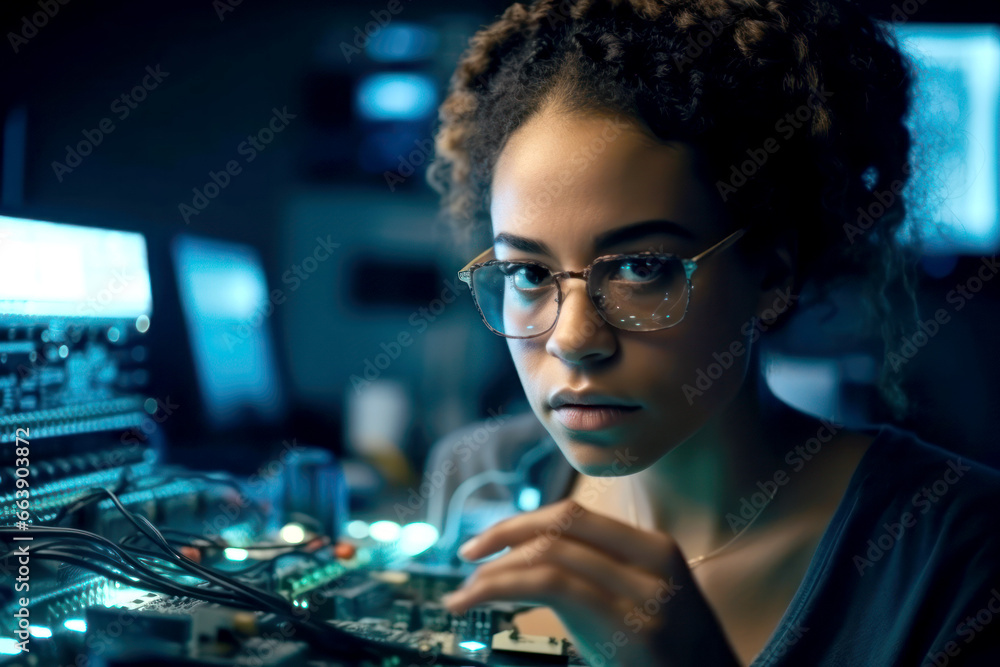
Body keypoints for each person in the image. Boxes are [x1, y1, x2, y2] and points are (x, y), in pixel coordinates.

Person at [423, 1, 1000, 665]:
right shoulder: (479, 479)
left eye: (642, 268)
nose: (574, 339)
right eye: (528, 272)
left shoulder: (957, 554)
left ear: (771, 274)